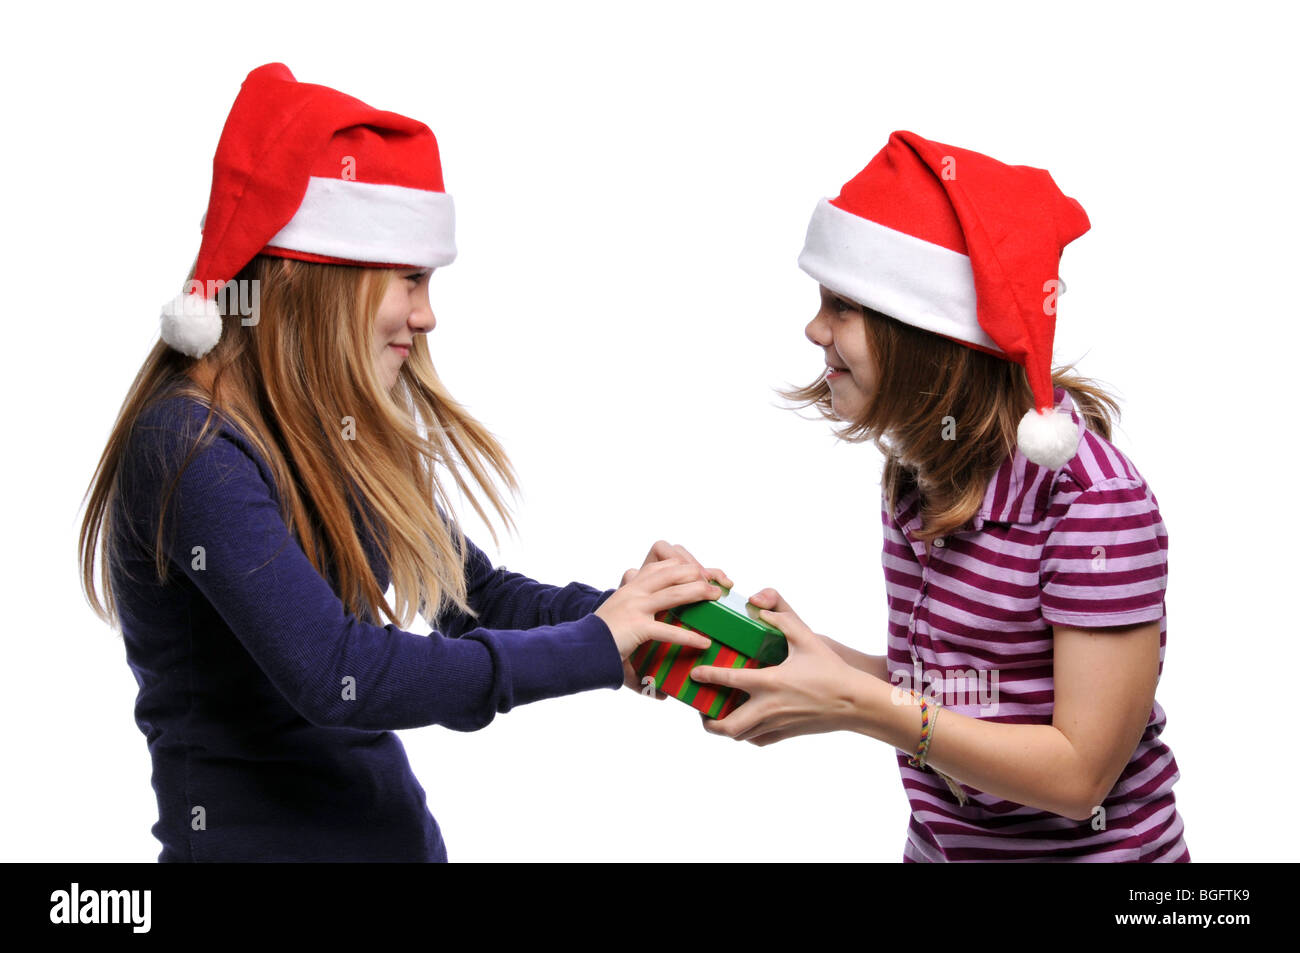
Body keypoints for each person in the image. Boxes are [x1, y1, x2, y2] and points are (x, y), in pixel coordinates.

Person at [76, 62, 726, 862]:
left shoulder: (335, 430)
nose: (427, 315)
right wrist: (594, 643)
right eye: (410, 280)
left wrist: (638, 615)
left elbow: (471, 599)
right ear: (317, 281)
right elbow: (339, 671)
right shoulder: (188, 447)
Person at [689, 130, 1189, 862]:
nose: (814, 328)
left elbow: (1080, 774)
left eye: (842, 306)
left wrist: (859, 706)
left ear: (928, 337)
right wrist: (798, 656)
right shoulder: (920, 478)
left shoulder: (1092, 504)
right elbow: (959, 691)